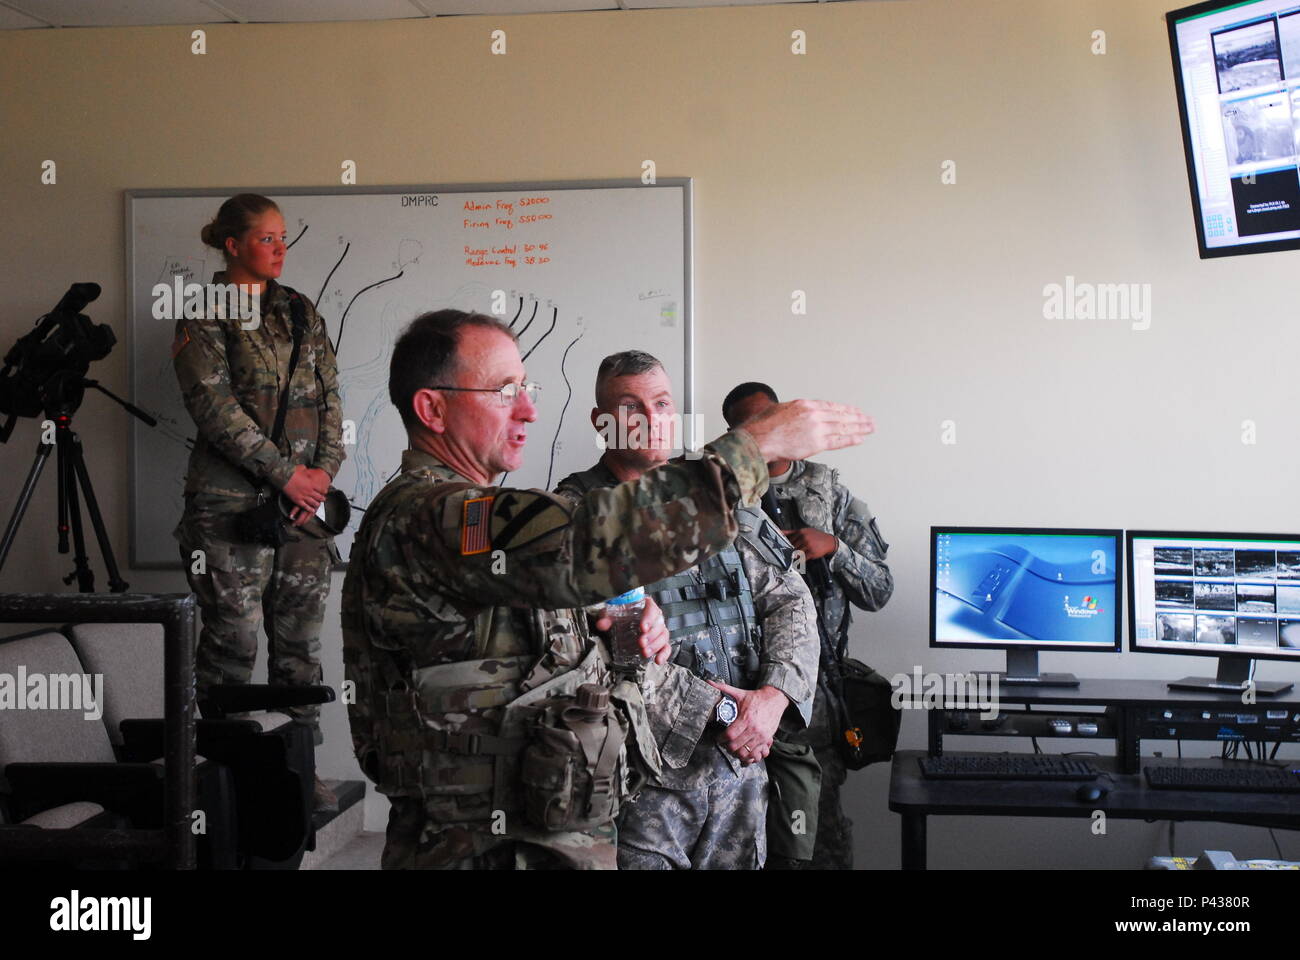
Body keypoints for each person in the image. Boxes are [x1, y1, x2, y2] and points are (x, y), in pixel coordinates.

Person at [341, 311, 869, 870]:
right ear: (432, 408)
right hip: (479, 845)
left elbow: (542, 642)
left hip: (540, 827)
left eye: (527, 388)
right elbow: (591, 537)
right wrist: (750, 447)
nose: (528, 410)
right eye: (503, 391)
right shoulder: (432, 516)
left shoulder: (463, 520)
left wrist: (625, 632)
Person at [553, 351, 821, 870]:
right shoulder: (576, 515)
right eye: (631, 407)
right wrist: (729, 716)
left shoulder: (718, 495)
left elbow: (788, 599)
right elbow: (611, 646)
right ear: (600, 421)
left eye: (662, 403)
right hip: (640, 778)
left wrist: (771, 700)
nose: (652, 420)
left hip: (742, 765)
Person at [173, 193, 344, 811]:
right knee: (232, 645)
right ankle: (226, 782)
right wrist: (285, 477)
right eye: (266, 238)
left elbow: (331, 399)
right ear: (233, 244)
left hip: (305, 509)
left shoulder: (301, 311)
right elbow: (215, 411)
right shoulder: (204, 313)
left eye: (282, 238)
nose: (279, 248)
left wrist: (320, 475)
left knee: (299, 647)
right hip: (229, 509)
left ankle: (299, 775)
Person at [723, 381, 893, 870]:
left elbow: (880, 591)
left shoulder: (829, 491)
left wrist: (835, 548)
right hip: (734, 701)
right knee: (739, 837)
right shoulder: (715, 494)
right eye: (752, 426)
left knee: (819, 840)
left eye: (772, 418)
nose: (768, 432)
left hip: (814, 704)